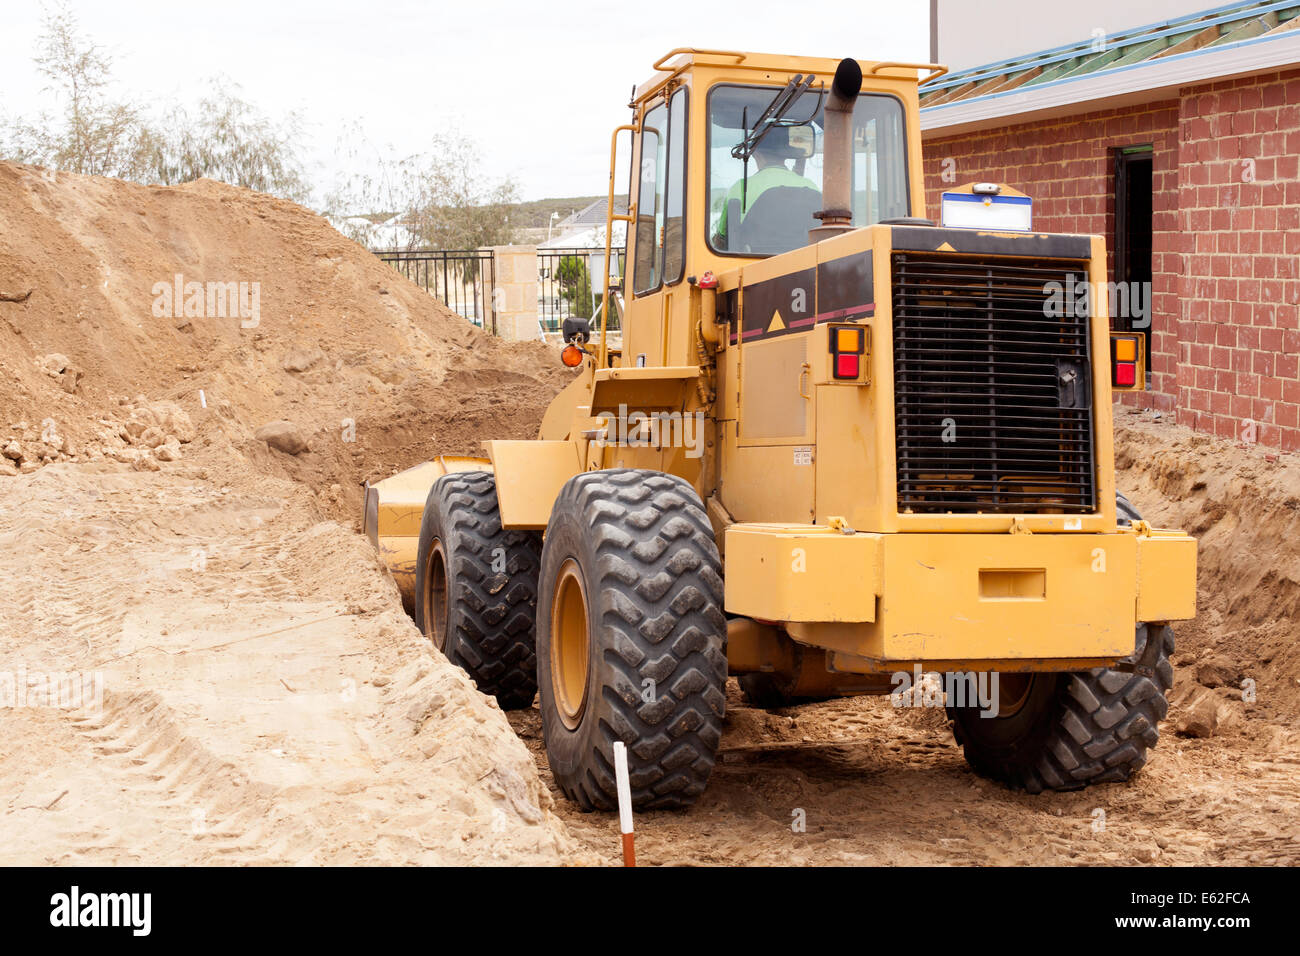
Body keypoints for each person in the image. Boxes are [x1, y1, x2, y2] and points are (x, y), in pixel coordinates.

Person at [713, 126, 820, 249]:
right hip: (806, 265)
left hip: (751, 265)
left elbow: (723, 239)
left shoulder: (741, 188)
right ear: (785, 154)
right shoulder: (810, 187)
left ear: (755, 154)